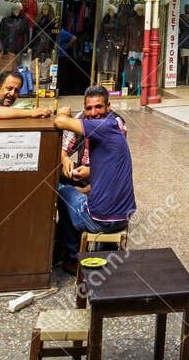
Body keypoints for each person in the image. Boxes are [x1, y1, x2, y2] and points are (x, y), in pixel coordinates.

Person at [53, 86, 136, 267]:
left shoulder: (109, 125)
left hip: (100, 218)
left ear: (108, 107)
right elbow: (65, 147)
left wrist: (64, 111)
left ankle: (72, 255)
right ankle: (68, 247)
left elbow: (60, 121)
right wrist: (65, 158)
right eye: (89, 108)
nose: (94, 112)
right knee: (68, 183)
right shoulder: (99, 123)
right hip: (123, 213)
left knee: (62, 192)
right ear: (84, 108)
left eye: (99, 107)